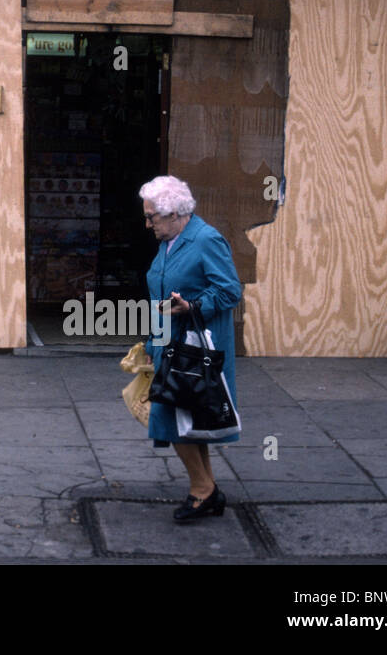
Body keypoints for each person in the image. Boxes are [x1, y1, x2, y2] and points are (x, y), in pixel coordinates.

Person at [139, 175, 242, 522]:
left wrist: (193, 306)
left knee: (172, 416)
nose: (148, 223)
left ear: (173, 213)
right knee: (188, 419)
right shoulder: (169, 240)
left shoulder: (206, 239)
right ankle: (207, 487)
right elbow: (160, 295)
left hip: (194, 350)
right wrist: (153, 344)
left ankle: (203, 491)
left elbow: (229, 291)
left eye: (152, 216)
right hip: (170, 346)